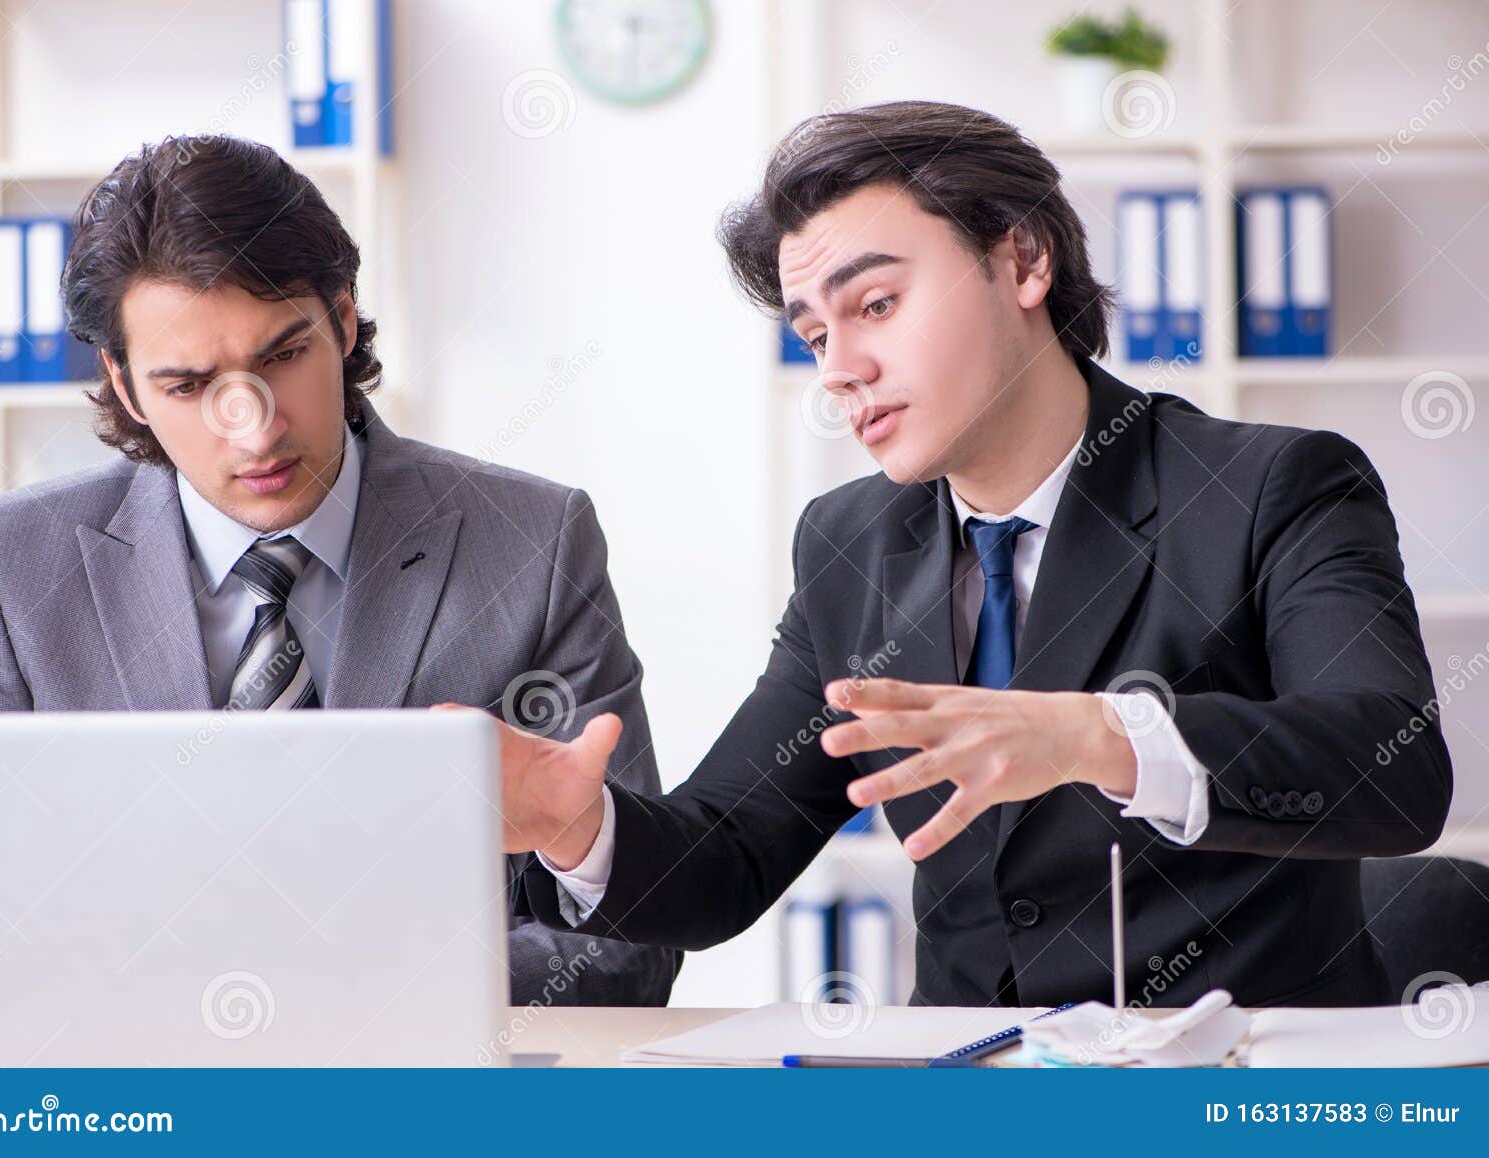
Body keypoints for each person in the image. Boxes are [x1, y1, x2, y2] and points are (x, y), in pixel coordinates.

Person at [495, 101, 1452, 1008]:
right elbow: (735, 849)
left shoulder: (1271, 487)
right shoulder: (849, 545)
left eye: (874, 304)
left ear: (1022, 260)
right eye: (816, 334)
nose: (838, 369)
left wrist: (1095, 737)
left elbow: (1391, 770)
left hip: (1235, 1080)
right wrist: (575, 827)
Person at [0, 135, 678, 1006]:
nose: (254, 430)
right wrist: (102, 1004)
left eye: (282, 356)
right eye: (188, 386)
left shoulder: (530, 542)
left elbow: (631, 941)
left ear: (342, 320)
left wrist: (331, 998)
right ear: (122, 382)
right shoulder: (7, 569)